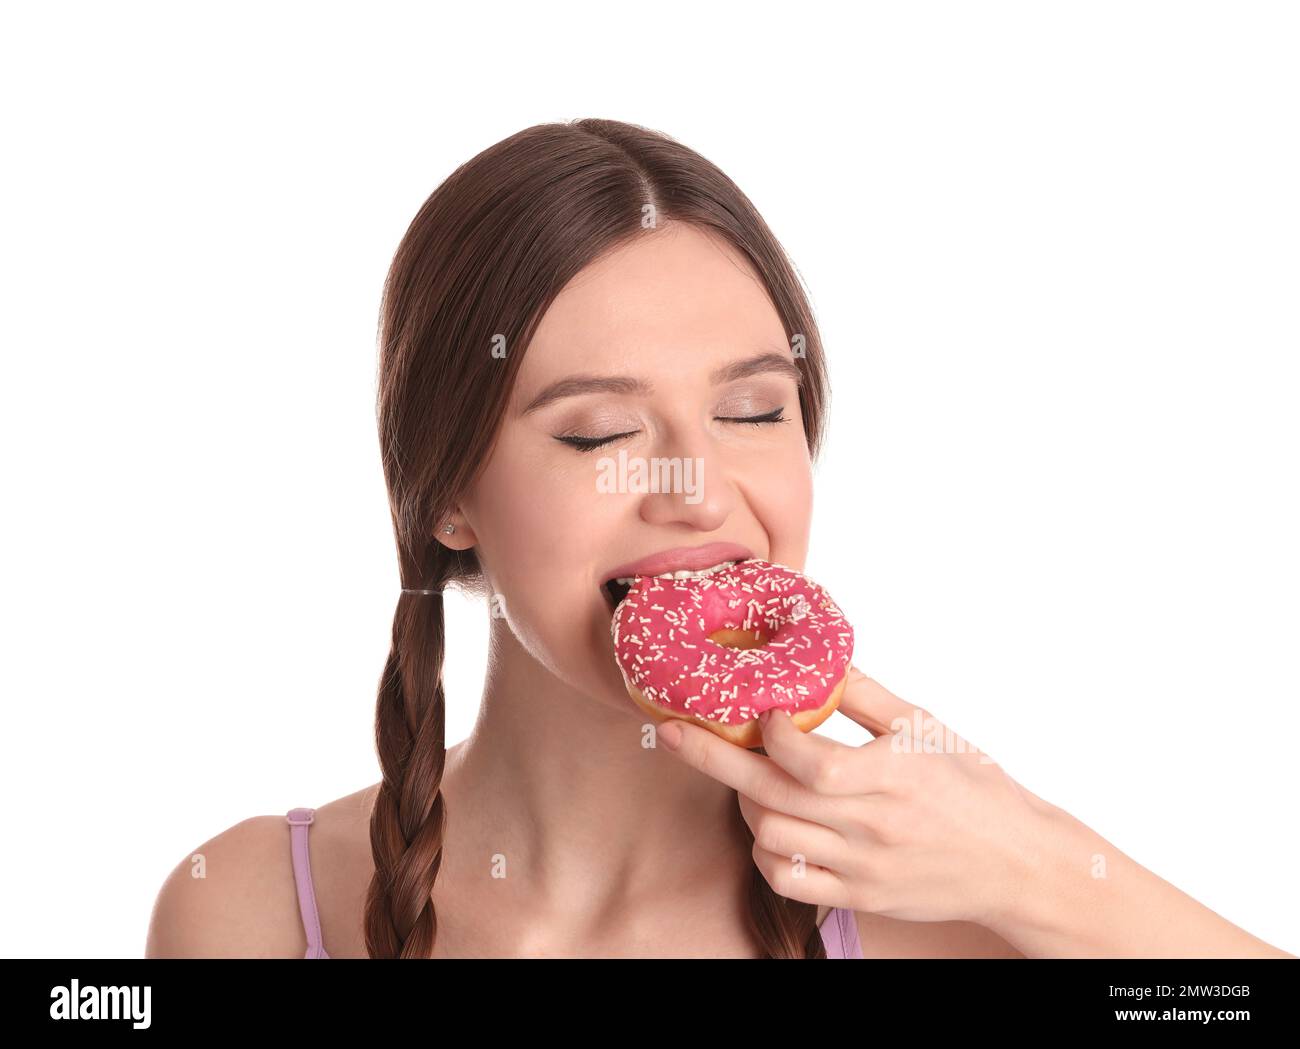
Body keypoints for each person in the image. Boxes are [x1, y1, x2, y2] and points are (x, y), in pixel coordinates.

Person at [145, 118, 1293, 959]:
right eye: (597, 431)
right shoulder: (245, 908)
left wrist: (1041, 867)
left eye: (753, 411)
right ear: (448, 494)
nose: (698, 492)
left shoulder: (945, 919)